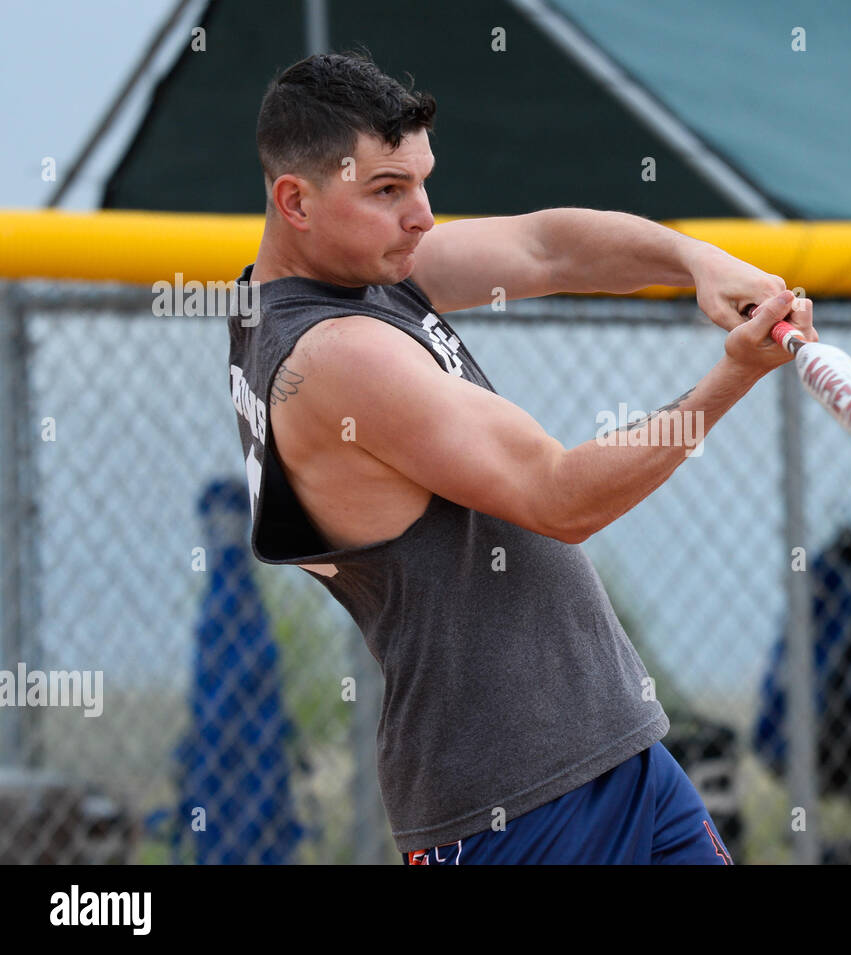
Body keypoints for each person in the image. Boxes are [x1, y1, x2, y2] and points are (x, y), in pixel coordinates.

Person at [226, 51, 816, 864]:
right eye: (389, 190)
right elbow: (560, 496)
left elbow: (549, 249)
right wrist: (735, 375)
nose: (423, 216)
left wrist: (696, 262)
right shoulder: (334, 357)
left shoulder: (356, 272)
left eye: (423, 183)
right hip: (512, 803)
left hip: (620, 753)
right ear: (296, 199)